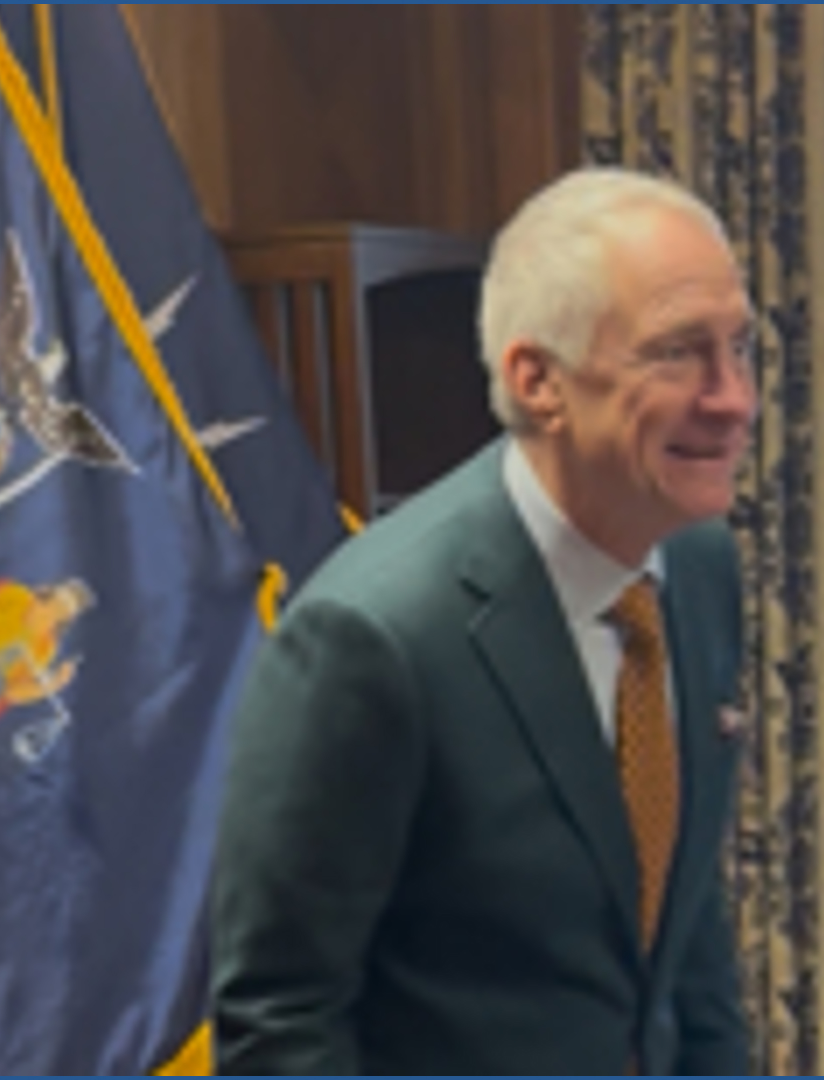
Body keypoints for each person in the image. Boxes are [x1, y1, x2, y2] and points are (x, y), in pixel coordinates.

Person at [209, 166, 759, 1076]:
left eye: (738, 348)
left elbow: (684, 934)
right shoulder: (369, 637)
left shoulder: (697, 567)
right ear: (538, 379)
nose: (732, 398)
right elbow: (281, 1020)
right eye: (678, 353)